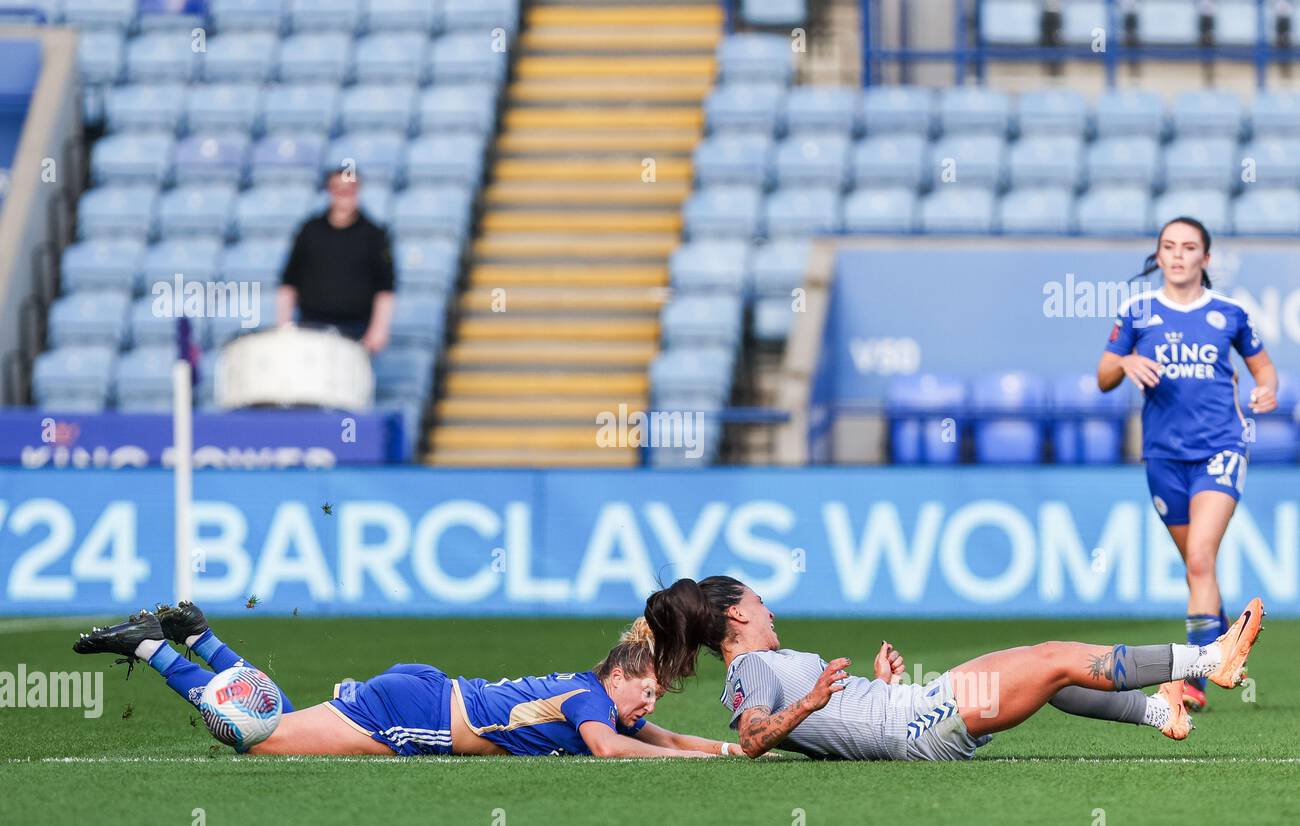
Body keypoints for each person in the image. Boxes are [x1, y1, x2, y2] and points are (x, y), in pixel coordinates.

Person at [641, 576, 1264, 761]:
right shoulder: (752, 669)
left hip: (911, 716)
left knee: (1049, 675)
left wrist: (877, 689)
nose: (769, 608)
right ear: (736, 614)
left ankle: (1160, 710)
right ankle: (1210, 659)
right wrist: (812, 702)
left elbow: (833, 727)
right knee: (1052, 656)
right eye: (758, 600)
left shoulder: (759, 665)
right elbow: (753, 738)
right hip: (921, 723)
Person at [72, 604, 738, 760]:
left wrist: (729, 750)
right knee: (259, 738)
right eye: (647, 690)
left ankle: (200, 639)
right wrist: (695, 761)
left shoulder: (596, 696)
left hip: (423, 694)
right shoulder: (593, 705)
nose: (649, 702)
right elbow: (612, 751)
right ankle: (153, 646)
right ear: (618, 675)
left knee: (278, 723)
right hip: (416, 714)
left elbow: (664, 738)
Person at [1096, 216, 1279, 711]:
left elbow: (1264, 370)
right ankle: (1224, 637)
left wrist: (1266, 390)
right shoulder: (1137, 312)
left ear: (1206, 257)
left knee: (1200, 558)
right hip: (1163, 456)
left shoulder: (1229, 313)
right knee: (1197, 566)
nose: (1178, 255)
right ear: (1158, 255)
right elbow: (1103, 377)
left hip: (1220, 449)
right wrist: (1125, 362)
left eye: (1189, 247)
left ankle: (1196, 680)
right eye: (1169, 246)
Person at [275, 169, 395, 353]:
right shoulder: (309, 231)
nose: (344, 194)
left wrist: (378, 330)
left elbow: (385, 288)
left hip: (357, 329)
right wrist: (284, 325)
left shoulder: (374, 235)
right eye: (338, 188)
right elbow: (289, 281)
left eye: (350, 188)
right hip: (311, 325)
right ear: (329, 190)